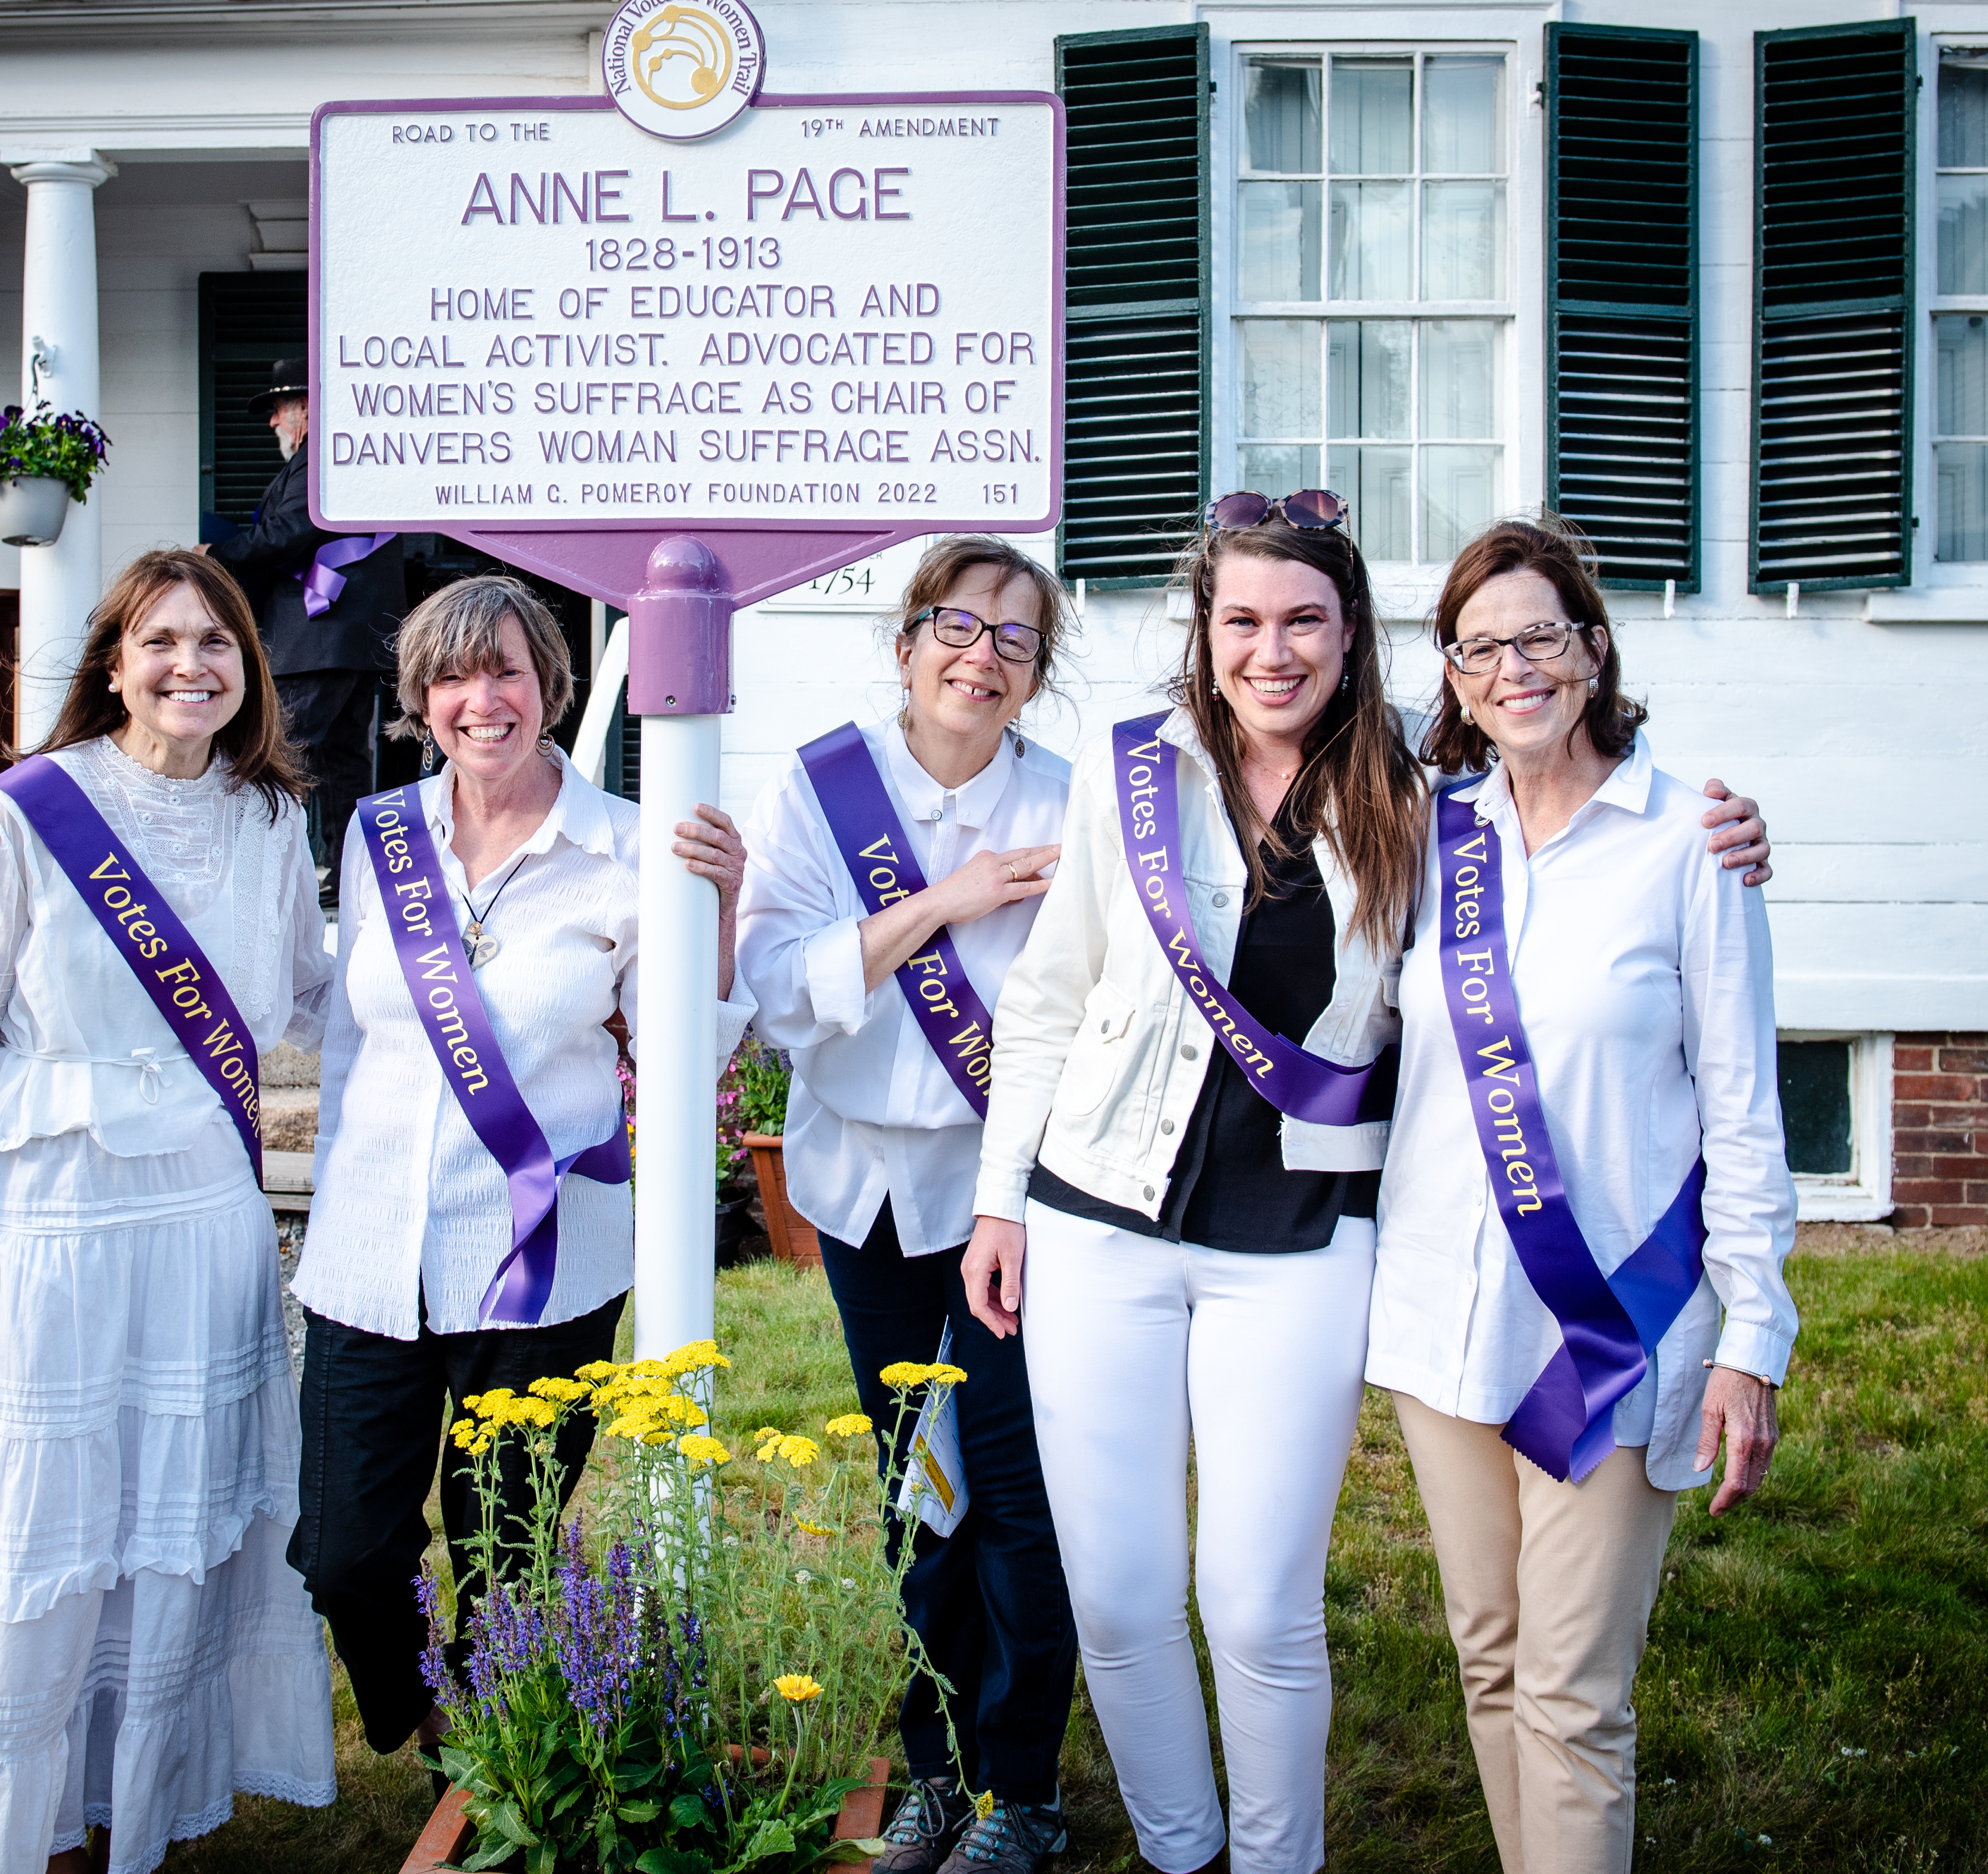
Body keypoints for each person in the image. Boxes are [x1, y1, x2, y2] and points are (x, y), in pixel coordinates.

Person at [959, 493, 1774, 1874]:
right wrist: (997, 1196)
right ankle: (1179, 1849)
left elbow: (1581, 834)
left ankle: (1278, 1861)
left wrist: (1730, 839)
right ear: (1203, 630)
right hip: (1095, 1213)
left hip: (1302, 1238)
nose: (1270, 649)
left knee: (1256, 1604)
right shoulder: (1129, 771)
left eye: (1304, 620)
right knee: (1119, 1598)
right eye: (1241, 620)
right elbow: (1047, 994)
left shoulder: (1420, 795)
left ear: (1352, 637)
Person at [0, 550, 336, 1874]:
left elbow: (310, 1002)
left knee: (167, 1534)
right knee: (33, 1536)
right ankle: (9, 1827)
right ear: (113, 663)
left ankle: (119, 1812)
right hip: (50, 1233)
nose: (190, 666)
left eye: (216, 643)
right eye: (161, 641)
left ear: (248, 669)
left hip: (203, 1231)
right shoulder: (21, 819)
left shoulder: (271, 821)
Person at [1365, 516, 1798, 1874]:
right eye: (1479, 648)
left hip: (1611, 1326)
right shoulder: (1429, 837)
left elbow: (1741, 1107)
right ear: (1451, 675)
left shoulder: (1691, 843)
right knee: (1490, 1659)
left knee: (1570, 1692)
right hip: (1443, 1321)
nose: (1514, 669)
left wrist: (1751, 1340)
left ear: (1593, 648)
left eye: (1540, 637)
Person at [286, 573, 754, 1757]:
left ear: (550, 682)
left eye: (504, 669)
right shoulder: (379, 834)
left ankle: (496, 1762)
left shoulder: (629, 847)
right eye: (450, 675)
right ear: (419, 697)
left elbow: (682, 1053)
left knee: (506, 1551)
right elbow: (348, 1041)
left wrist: (721, 911)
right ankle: (428, 1715)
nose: (479, 699)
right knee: (344, 1553)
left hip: (539, 1262)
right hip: (368, 1258)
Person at [737, 536, 1080, 1874]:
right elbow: (776, 986)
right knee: (916, 1493)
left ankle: (1022, 1789)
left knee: (1014, 1494)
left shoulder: (1070, 804)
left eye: (1015, 638)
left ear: (1034, 673)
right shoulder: (821, 787)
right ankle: (937, 1771)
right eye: (958, 624)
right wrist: (948, 901)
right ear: (906, 640)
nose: (981, 655)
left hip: (1005, 1200)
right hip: (860, 1195)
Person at [204, 354, 403, 906]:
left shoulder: (320, 458)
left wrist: (215, 553)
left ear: (309, 408)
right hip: (344, 640)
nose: (273, 421)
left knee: (279, 752)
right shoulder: (342, 456)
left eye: (280, 407)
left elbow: (288, 531)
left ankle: (259, 876)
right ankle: (352, 877)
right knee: (344, 762)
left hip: (317, 639)